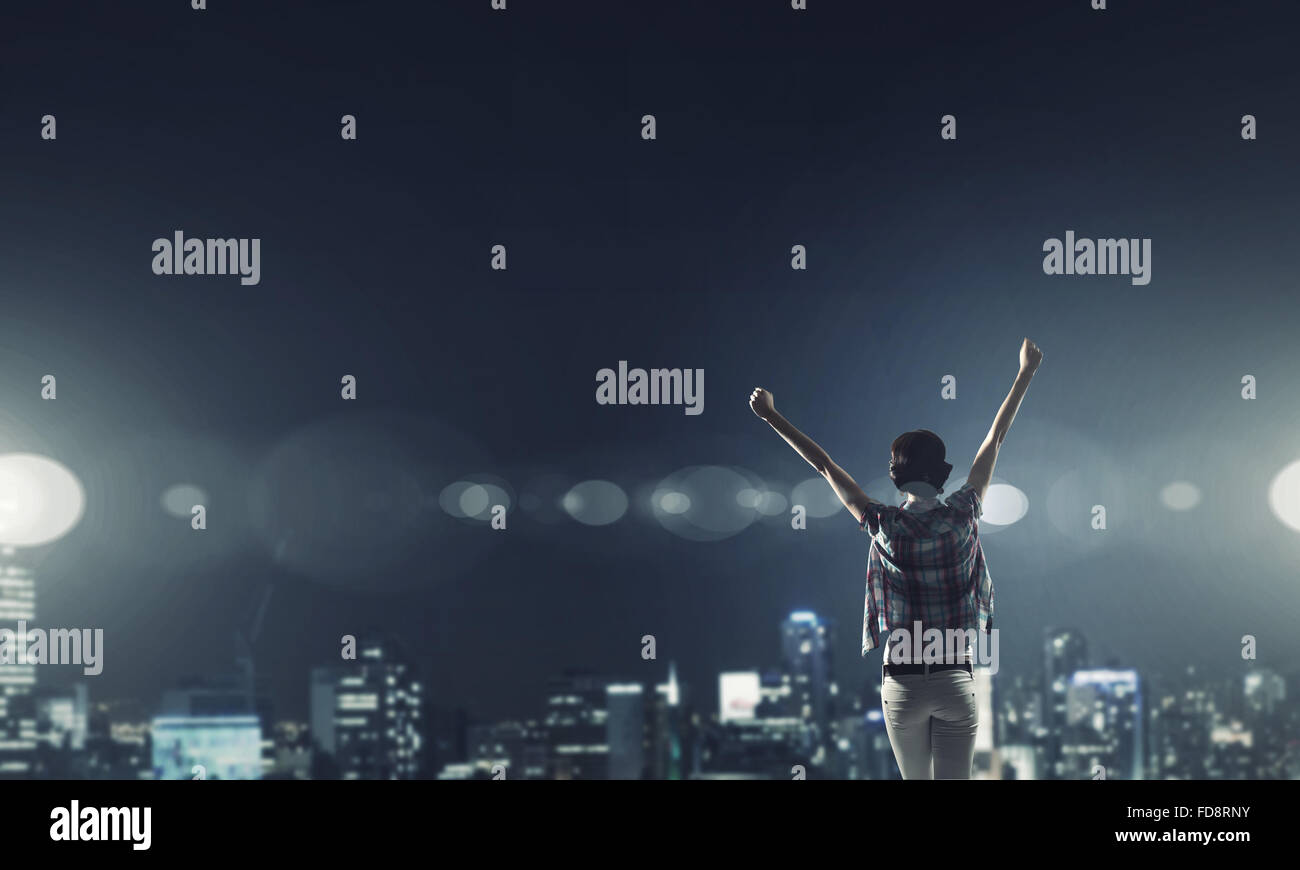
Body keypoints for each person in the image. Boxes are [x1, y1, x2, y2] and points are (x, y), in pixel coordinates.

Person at [748, 337, 1043, 778]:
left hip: (901, 679)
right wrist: (1024, 374)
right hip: (954, 674)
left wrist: (771, 416)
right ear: (941, 471)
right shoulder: (963, 513)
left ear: (896, 472)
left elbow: (824, 465)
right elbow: (994, 439)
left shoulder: (882, 523)